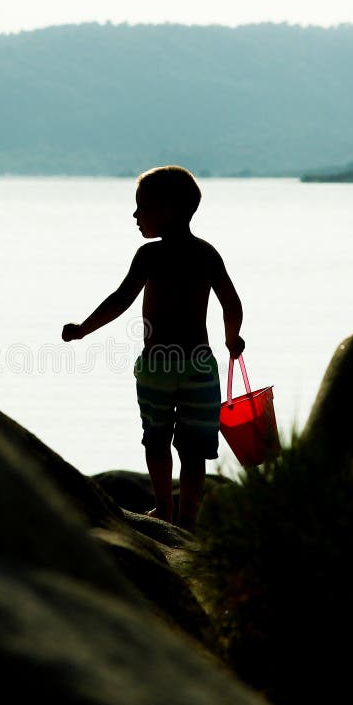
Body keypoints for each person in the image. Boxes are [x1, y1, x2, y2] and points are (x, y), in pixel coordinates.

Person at [62, 165, 245, 531]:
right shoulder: (207, 254)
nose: (135, 215)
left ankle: (164, 509)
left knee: (156, 438)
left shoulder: (149, 256)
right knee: (195, 448)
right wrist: (231, 337)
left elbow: (120, 301)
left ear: (170, 210)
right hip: (199, 363)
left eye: (142, 207)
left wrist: (83, 329)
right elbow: (231, 303)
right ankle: (188, 517)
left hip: (158, 364)